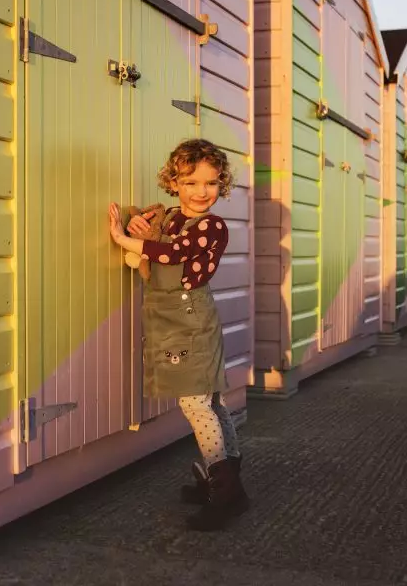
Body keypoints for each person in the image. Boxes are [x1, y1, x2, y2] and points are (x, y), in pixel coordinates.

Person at [107, 138, 249, 531]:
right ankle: (228, 482)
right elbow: (155, 242)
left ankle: (225, 493)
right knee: (211, 399)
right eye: (190, 182)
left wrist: (125, 239)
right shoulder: (169, 217)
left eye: (211, 182)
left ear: (222, 183)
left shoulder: (212, 226)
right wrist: (139, 225)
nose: (201, 191)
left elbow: (171, 253)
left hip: (190, 317)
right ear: (174, 182)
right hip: (171, 316)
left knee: (197, 403)